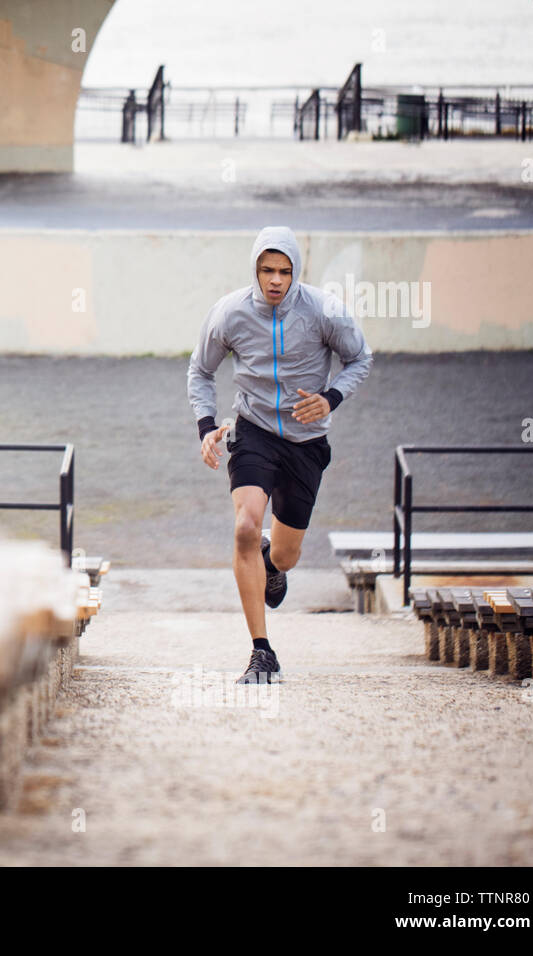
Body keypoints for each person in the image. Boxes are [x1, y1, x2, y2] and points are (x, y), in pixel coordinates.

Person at [187, 226, 373, 684]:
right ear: (255, 269)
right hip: (253, 432)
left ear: (296, 272)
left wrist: (331, 397)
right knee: (246, 525)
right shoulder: (230, 313)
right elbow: (200, 370)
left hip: (307, 442)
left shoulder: (324, 311)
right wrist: (207, 427)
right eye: (267, 270)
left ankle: (272, 562)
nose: (275, 280)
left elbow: (361, 358)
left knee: (287, 556)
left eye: (284, 271)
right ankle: (261, 651)